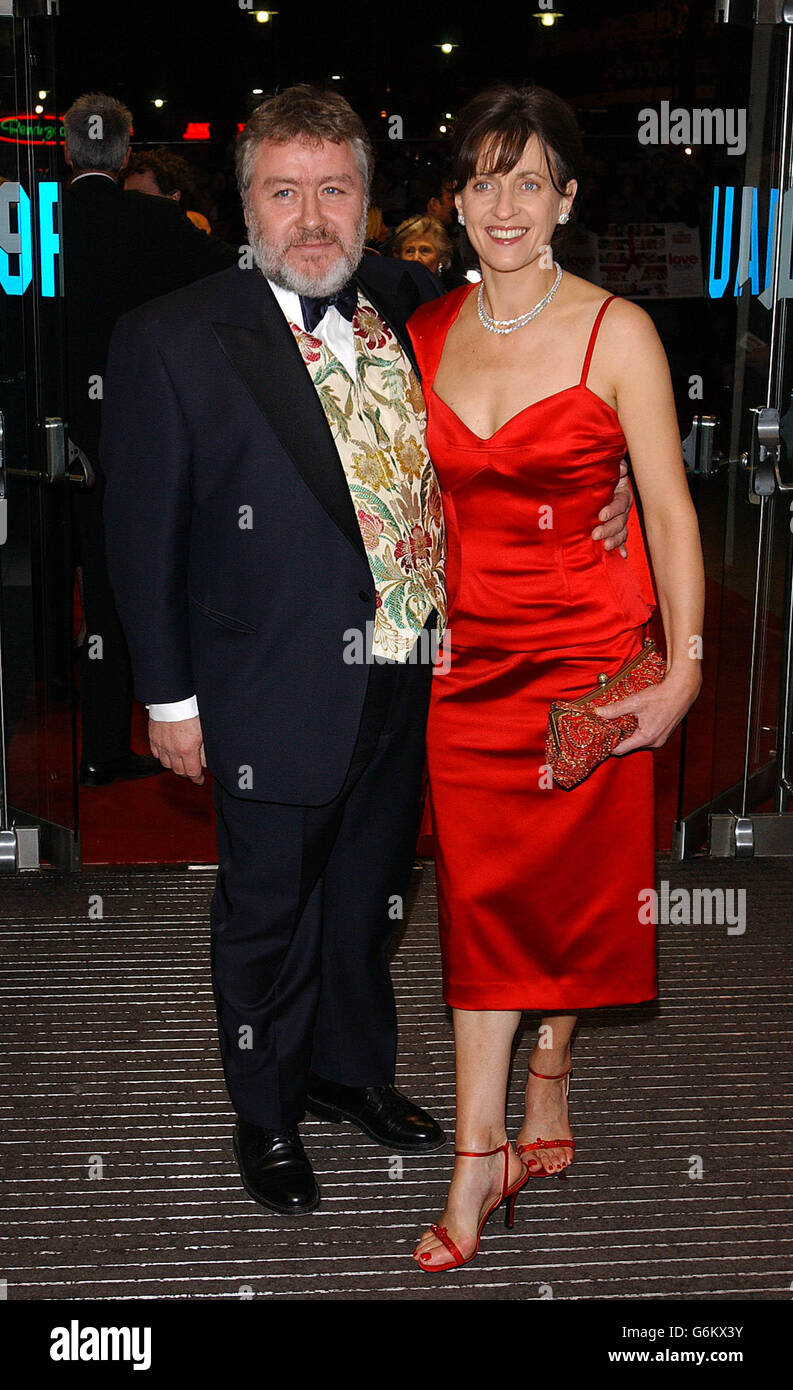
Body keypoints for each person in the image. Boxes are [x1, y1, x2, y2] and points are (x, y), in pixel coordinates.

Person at [100, 85, 633, 1218]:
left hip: (412, 676)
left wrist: (615, 483)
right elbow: (138, 536)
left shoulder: (414, 302)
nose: (310, 218)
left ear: (368, 200)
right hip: (262, 687)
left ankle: (349, 1074)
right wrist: (168, 699)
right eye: (282, 192)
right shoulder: (170, 337)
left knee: (370, 900)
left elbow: (528, 405)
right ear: (242, 203)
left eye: (333, 190)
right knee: (267, 910)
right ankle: (267, 1108)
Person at [406, 84, 704, 1272]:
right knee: (479, 898)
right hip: (465, 670)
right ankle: (481, 1148)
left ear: (567, 199)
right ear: (457, 202)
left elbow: (674, 516)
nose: (505, 203)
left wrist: (681, 672)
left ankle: (551, 1063)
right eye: (483, 179)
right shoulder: (421, 332)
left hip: (586, 664)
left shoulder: (614, 330)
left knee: (568, 891)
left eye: (529, 179)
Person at [62, 92, 236, 787]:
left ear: (68, 152)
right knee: (113, 584)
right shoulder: (158, 222)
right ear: (126, 150)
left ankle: (51, 700)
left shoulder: (33, 223)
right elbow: (237, 276)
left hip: (41, 435)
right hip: (135, 432)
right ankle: (105, 744)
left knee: (50, 580)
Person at [392, 214, 455, 281]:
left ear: (441, 257)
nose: (416, 258)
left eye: (425, 250)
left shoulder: (457, 289)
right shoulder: (388, 289)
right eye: (409, 251)